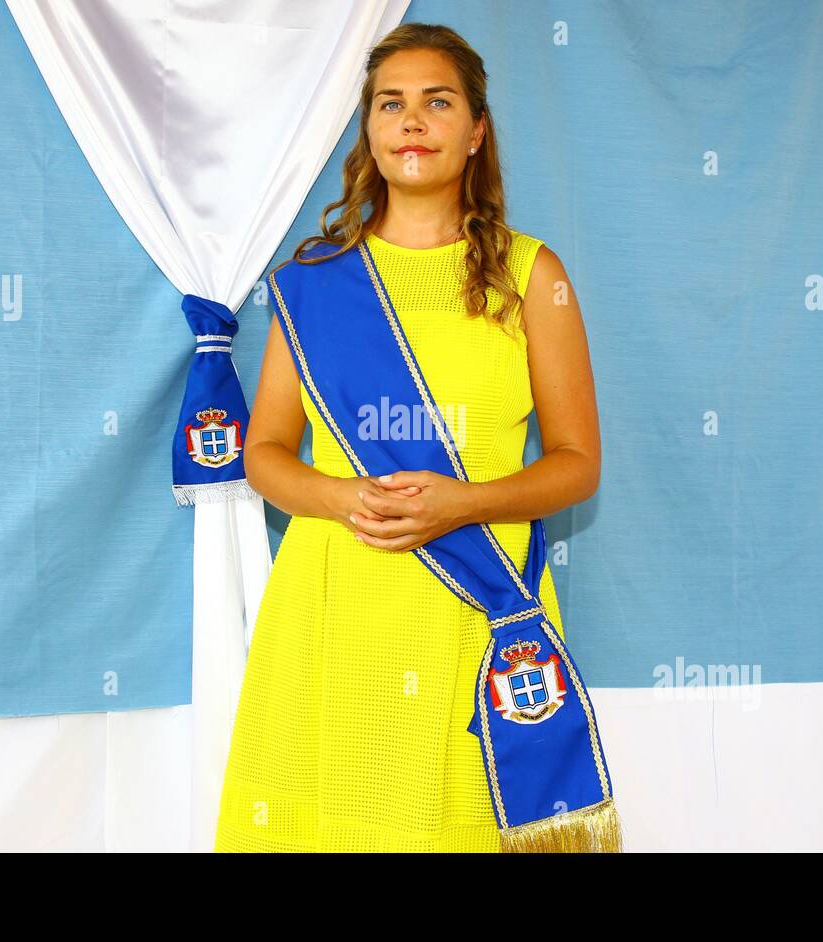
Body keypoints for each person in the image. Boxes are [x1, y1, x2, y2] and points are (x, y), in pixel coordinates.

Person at [213, 22, 603, 852]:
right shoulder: (313, 287)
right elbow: (266, 454)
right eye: (391, 103)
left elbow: (576, 466)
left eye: (438, 101)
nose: (412, 120)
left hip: (475, 601)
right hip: (335, 598)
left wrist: (466, 504)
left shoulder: (534, 276)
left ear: (476, 131)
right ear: (370, 131)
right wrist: (343, 495)